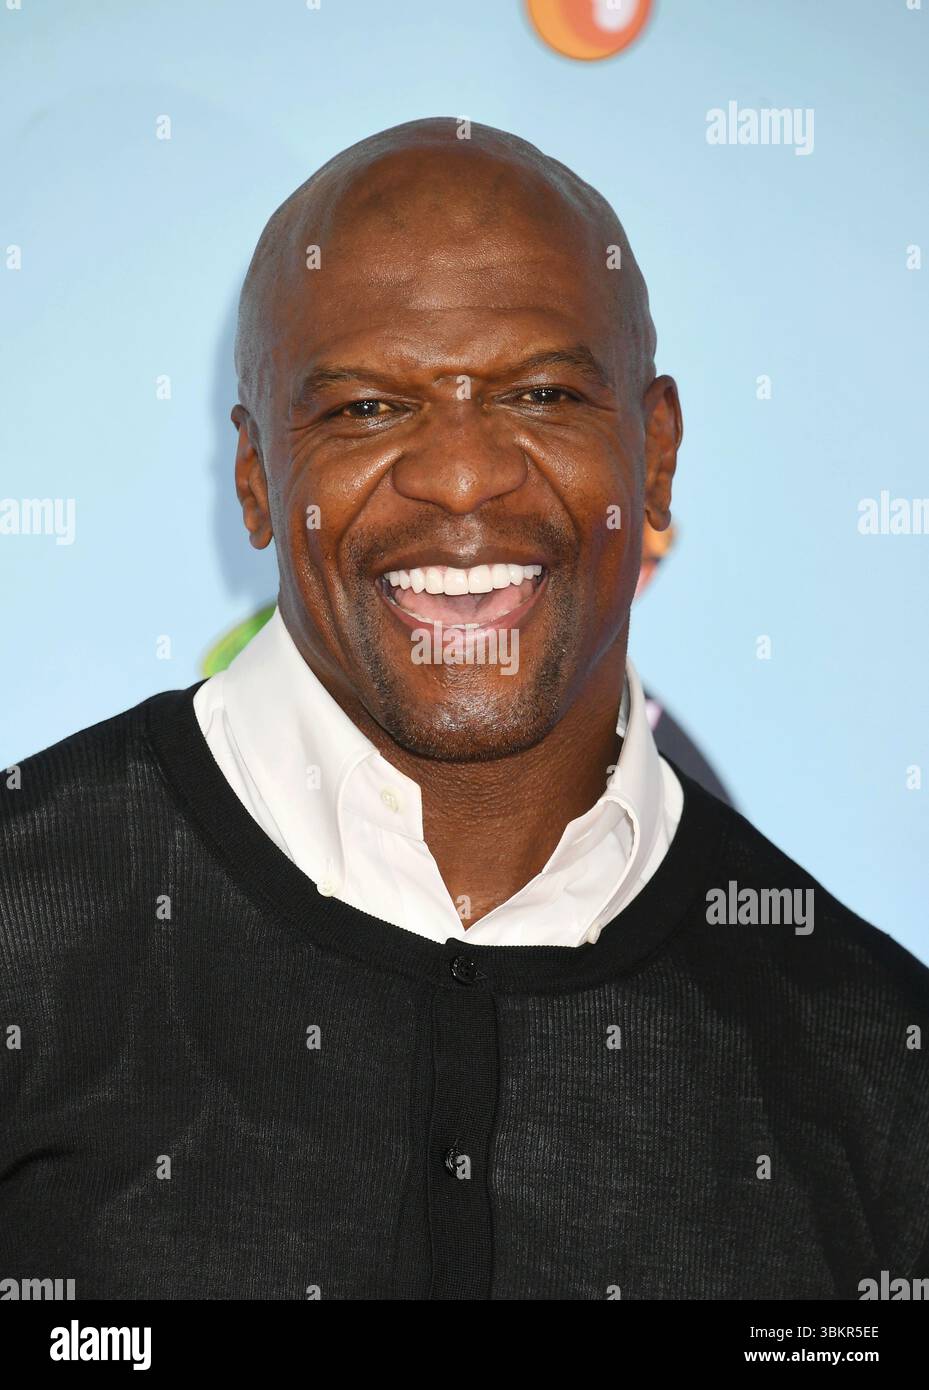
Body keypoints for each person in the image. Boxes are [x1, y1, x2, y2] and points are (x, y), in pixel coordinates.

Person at [1, 118, 926, 1300]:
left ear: (656, 449)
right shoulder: (25, 922)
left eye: (539, 393)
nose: (459, 473)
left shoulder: (873, 1062)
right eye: (366, 410)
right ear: (253, 481)